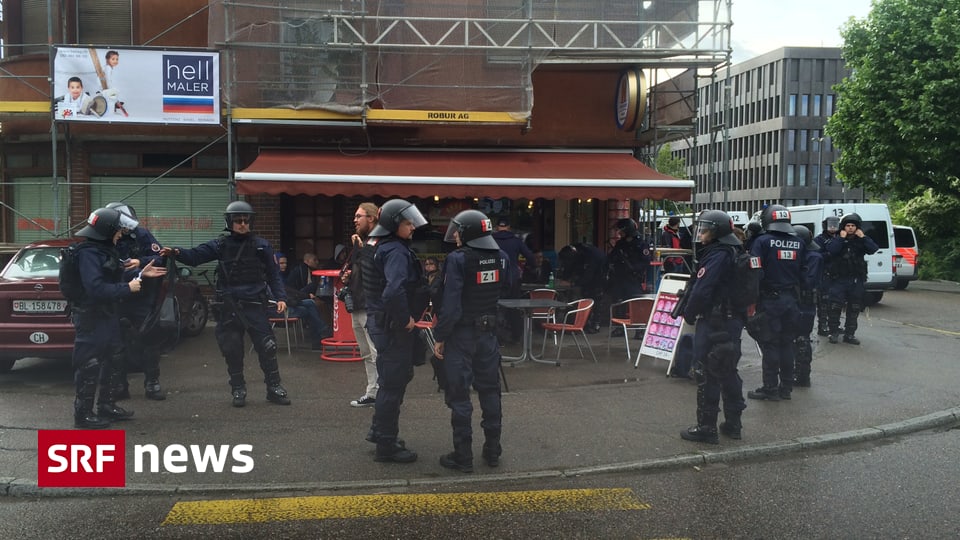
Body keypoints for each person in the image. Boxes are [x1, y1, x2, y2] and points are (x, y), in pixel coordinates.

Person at [160, 201, 292, 408]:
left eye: (245, 220)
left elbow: (274, 275)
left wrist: (281, 297)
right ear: (230, 222)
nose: (241, 224)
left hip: (255, 304)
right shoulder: (220, 245)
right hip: (229, 306)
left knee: (267, 347)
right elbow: (195, 256)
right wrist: (176, 252)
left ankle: (274, 388)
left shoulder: (262, 246)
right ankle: (238, 389)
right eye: (237, 220)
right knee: (232, 348)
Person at [69, 207, 166, 428]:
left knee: (114, 358)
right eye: (117, 231)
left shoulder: (102, 251)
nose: (121, 235)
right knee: (89, 365)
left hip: (107, 315)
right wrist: (128, 288)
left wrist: (141, 272)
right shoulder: (88, 254)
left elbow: (113, 273)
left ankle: (107, 405)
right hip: (92, 317)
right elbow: (96, 288)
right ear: (107, 231)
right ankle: (83, 415)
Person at [432, 210, 510, 472]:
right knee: (490, 391)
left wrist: (440, 336)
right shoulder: (502, 257)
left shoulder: (458, 259)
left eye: (458, 231)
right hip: (488, 335)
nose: (454, 235)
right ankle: (493, 451)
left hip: (461, 335)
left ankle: (462, 456)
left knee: (460, 395)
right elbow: (508, 286)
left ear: (467, 233)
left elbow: (451, 303)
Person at [360, 199, 430, 463]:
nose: (412, 227)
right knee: (393, 384)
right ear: (392, 223)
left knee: (390, 380)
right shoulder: (396, 251)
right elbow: (393, 291)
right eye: (407, 222)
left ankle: (380, 433)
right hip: (392, 327)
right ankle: (387, 446)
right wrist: (406, 320)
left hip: (379, 322)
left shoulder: (373, 244)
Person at [679, 210, 747, 444]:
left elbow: (702, 289)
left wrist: (689, 313)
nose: (701, 233)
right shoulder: (736, 250)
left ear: (717, 231)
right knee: (727, 368)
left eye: (705, 229)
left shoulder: (718, 254)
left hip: (715, 320)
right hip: (732, 320)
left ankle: (706, 427)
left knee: (707, 370)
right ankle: (733, 423)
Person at [105, 202, 167, 401]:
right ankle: (120, 385)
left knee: (150, 339)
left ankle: (152, 383)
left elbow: (160, 258)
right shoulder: (106, 238)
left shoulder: (141, 234)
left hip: (143, 296)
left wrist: (139, 262)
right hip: (118, 295)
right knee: (117, 343)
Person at [747, 204, 805, 402]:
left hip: (770, 300)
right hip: (792, 300)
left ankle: (770, 388)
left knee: (770, 344)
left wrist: (751, 298)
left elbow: (755, 272)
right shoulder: (799, 242)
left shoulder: (762, 242)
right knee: (787, 344)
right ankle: (786, 387)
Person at [342, 202, 380, 408]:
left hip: (370, 306)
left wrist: (361, 248)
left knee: (376, 353)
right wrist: (349, 278)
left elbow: (375, 265)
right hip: (357, 303)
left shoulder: (378, 242)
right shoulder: (363, 243)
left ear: (371, 218)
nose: (355, 220)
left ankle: (383, 393)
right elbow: (361, 269)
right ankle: (372, 392)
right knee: (366, 353)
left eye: (359, 216)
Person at [823, 213, 878, 345]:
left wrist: (863, 237)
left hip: (855, 279)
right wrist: (841, 239)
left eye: (853, 226)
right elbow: (831, 250)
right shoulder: (837, 239)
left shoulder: (861, 240)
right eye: (848, 225)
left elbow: (873, 249)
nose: (850, 228)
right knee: (835, 307)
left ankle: (850, 334)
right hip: (839, 279)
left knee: (854, 307)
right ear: (843, 227)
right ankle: (834, 332)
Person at [493, 218, 534, 342]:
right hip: (513, 278)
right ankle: (516, 335)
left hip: (495, 279)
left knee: (495, 307)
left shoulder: (491, 241)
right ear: (509, 227)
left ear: (497, 227)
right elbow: (531, 258)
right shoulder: (516, 241)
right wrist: (526, 268)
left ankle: (497, 338)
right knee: (514, 308)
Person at [793, 225, 824, 388]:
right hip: (800, 301)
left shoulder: (813, 257)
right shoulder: (807, 255)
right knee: (796, 338)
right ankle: (797, 372)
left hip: (805, 302)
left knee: (802, 339)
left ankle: (802, 375)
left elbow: (808, 280)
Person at [284, 252, 333, 349]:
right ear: (307, 261)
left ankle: (321, 332)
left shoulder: (310, 271)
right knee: (312, 308)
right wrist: (306, 295)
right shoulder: (298, 270)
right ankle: (322, 332)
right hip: (286, 305)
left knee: (311, 305)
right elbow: (288, 291)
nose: (317, 262)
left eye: (285, 263)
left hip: (294, 299)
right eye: (314, 260)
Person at [556, 242, 606, 333]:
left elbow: (588, 275)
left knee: (595, 298)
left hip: (599, 274)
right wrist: (564, 279)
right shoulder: (576, 251)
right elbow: (569, 268)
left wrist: (573, 283)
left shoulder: (591, 255)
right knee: (585, 296)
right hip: (588, 271)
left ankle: (595, 324)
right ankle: (584, 323)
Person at [607, 217, 651, 300]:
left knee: (633, 301)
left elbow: (645, 262)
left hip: (633, 279)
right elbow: (612, 257)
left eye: (621, 231)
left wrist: (633, 269)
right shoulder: (620, 243)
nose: (619, 233)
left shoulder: (640, 243)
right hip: (618, 278)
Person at [814, 216, 840, 336]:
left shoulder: (841, 238)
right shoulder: (820, 239)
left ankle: (835, 324)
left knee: (836, 302)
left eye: (835, 224)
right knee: (823, 302)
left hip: (838, 274)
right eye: (831, 224)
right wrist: (830, 253)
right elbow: (817, 255)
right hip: (825, 274)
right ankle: (822, 325)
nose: (833, 227)